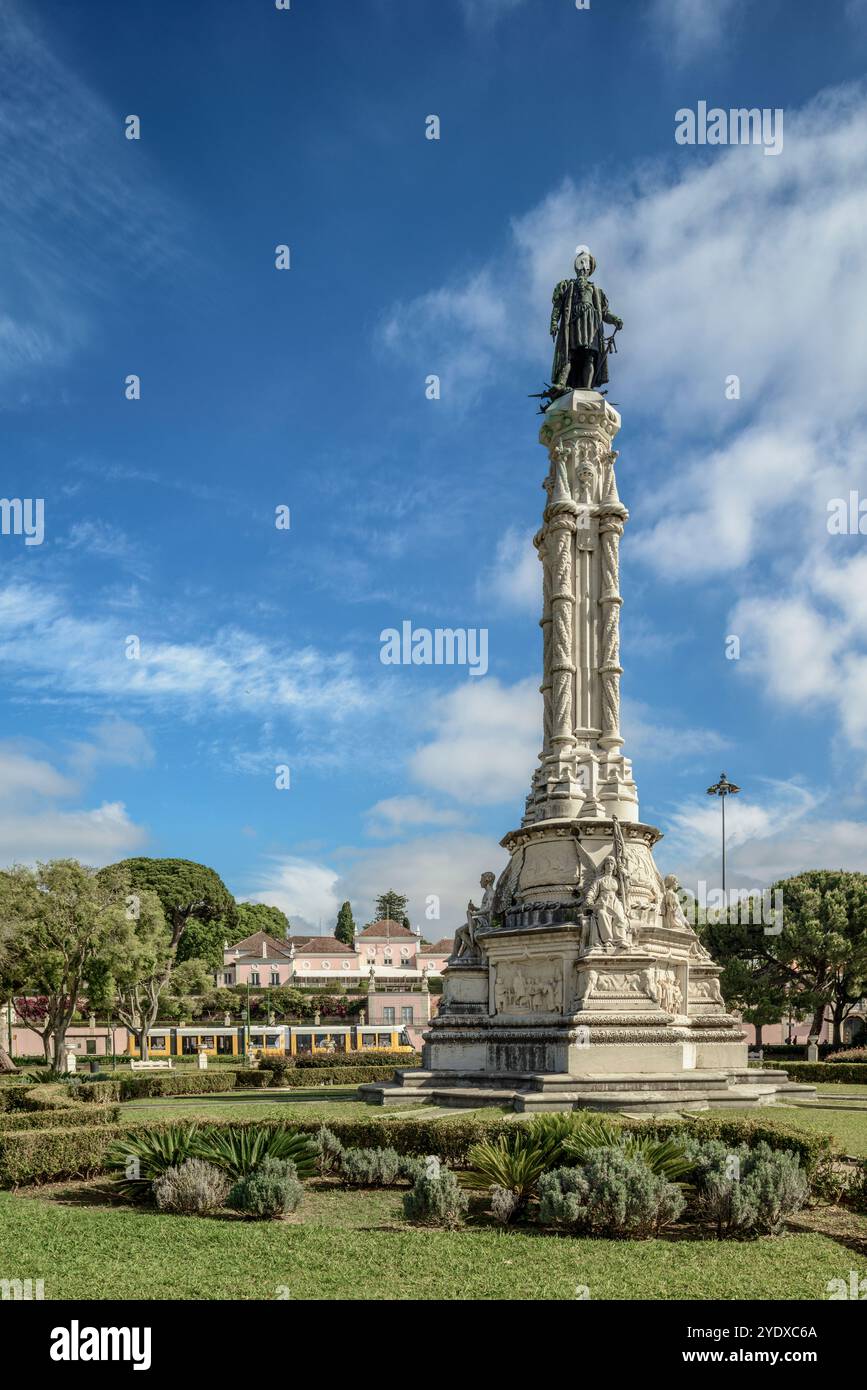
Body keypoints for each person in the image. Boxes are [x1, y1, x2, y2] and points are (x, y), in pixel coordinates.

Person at [550, 246, 623, 391]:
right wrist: (553, 322)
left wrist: (615, 319)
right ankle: (562, 383)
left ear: (590, 269)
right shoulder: (566, 285)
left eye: (586, 263)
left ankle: (587, 388)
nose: (583, 266)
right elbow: (558, 306)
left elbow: (604, 312)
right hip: (572, 323)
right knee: (569, 353)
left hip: (591, 325)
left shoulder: (596, 291)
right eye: (581, 262)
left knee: (589, 356)